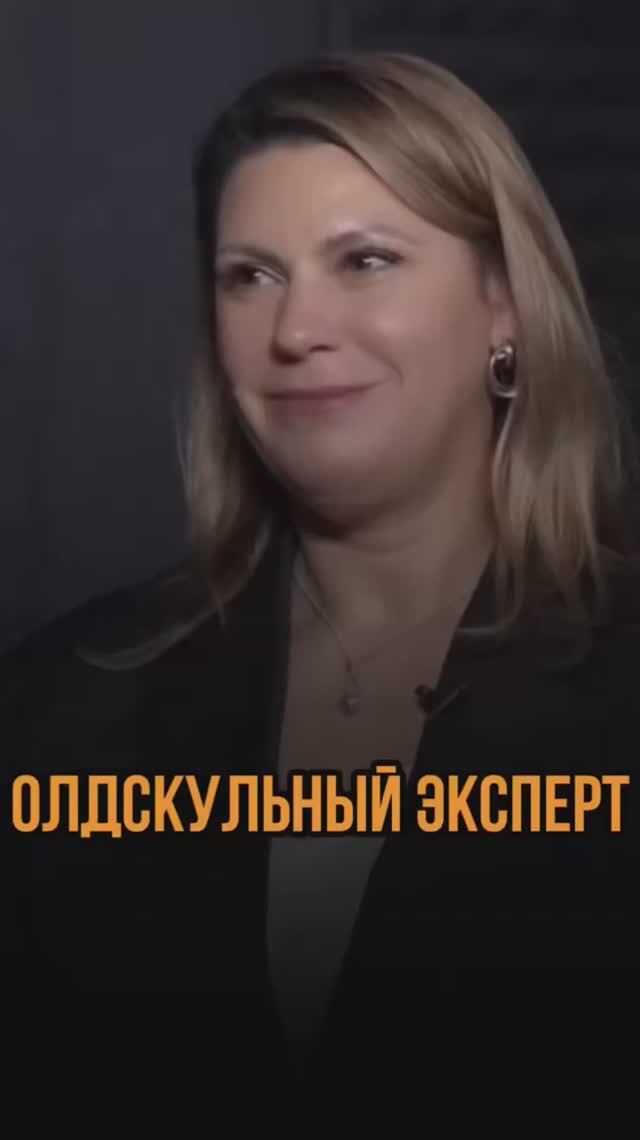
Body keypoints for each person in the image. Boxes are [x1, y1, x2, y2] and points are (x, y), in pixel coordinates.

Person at [2, 48, 640, 1095]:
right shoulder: (63, 708)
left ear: (505, 307)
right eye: (250, 277)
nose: (295, 330)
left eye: (366, 260)